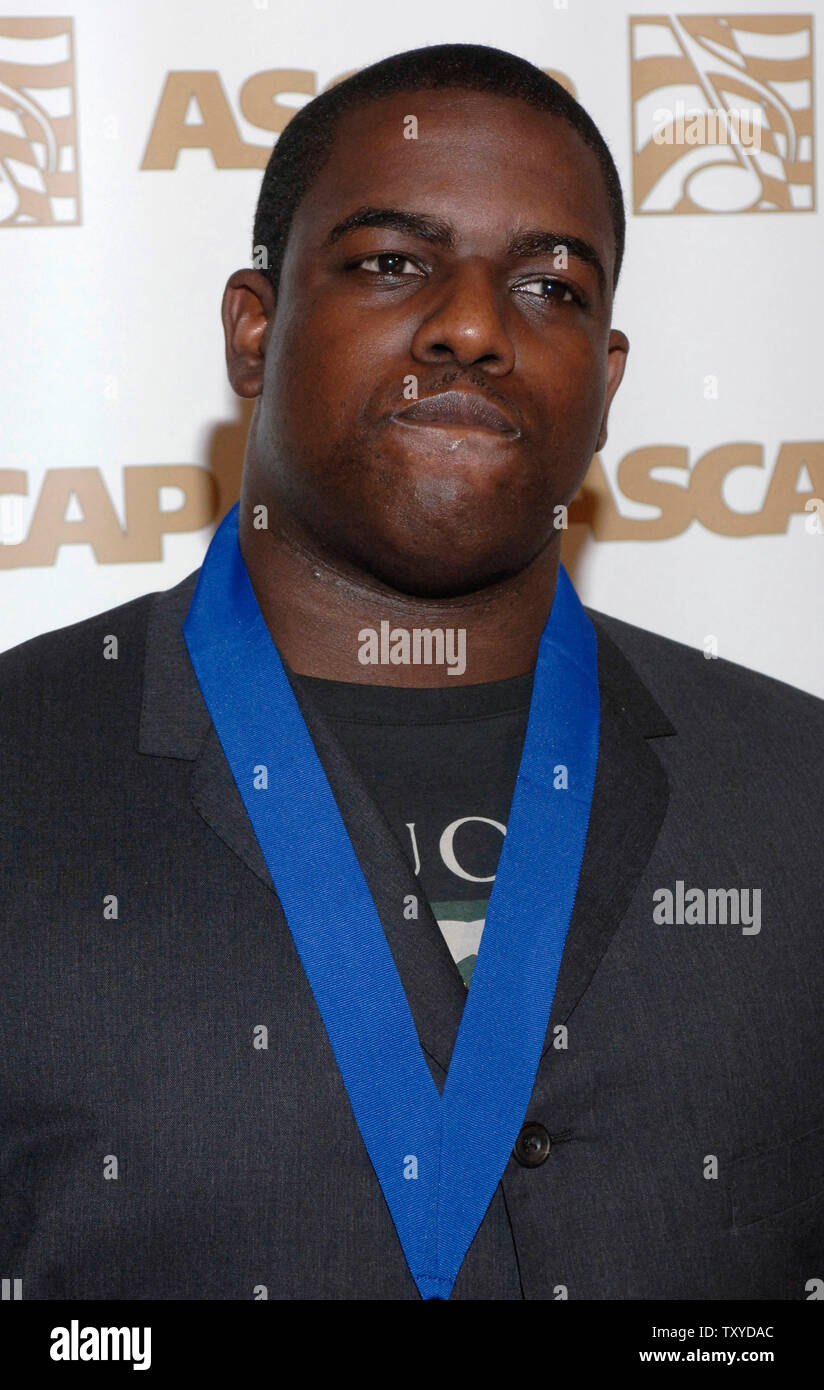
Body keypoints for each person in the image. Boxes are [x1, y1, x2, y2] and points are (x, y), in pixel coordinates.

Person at [1, 43, 822, 1302]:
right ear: (254, 329)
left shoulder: (795, 788)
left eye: (549, 287)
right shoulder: (20, 766)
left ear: (605, 385)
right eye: (393, 262)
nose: (474, 327)